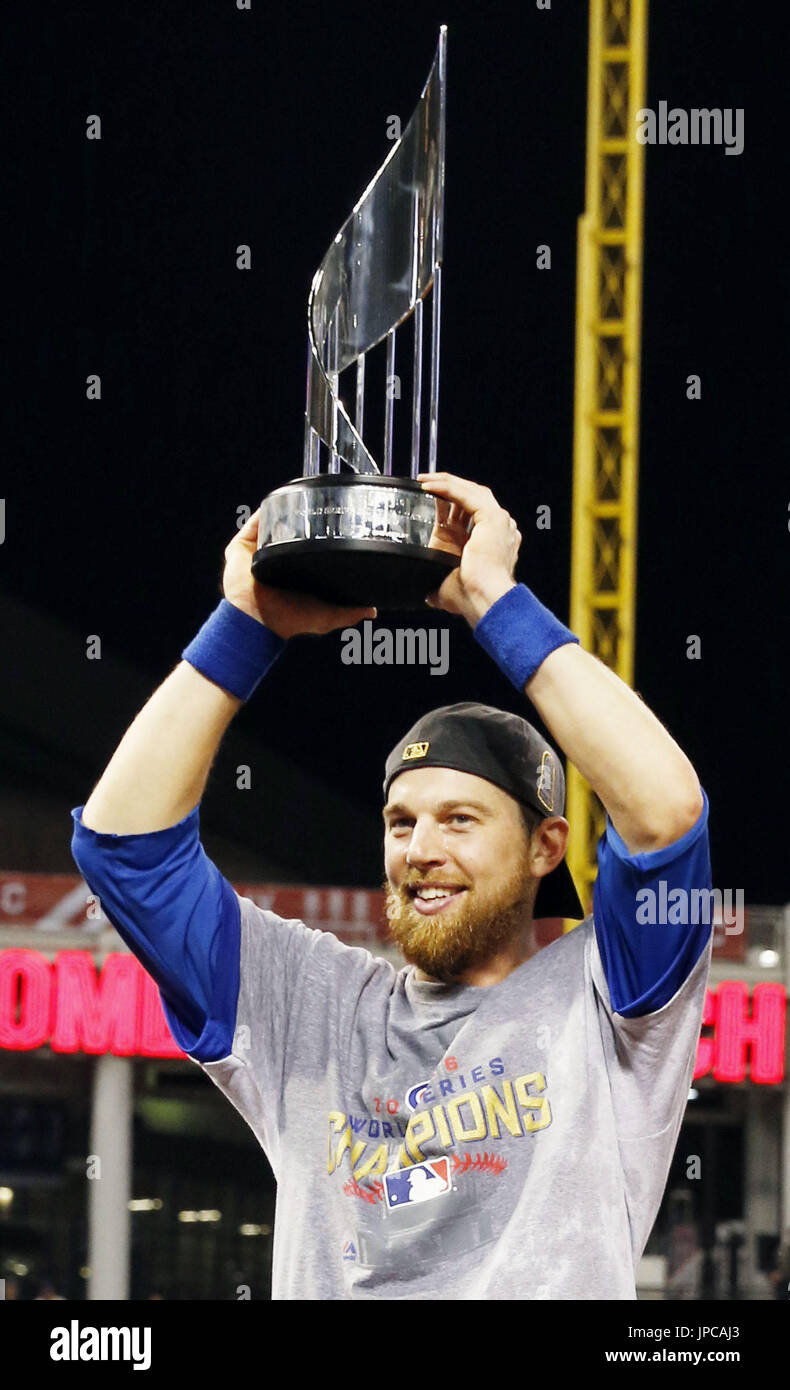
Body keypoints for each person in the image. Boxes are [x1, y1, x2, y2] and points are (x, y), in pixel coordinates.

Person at [71, 473, 712, 1300]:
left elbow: (666, 814)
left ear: (546, 846)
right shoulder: (309, 1002)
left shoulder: (608, 1000)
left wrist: (494, 601)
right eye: (402, 822)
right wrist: (247, 627)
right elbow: (125, 849)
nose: (421, 848)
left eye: (460, 820)